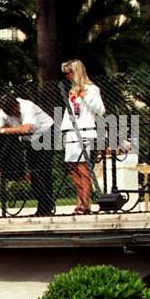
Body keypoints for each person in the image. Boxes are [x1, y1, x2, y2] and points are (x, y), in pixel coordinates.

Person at [0, 93, 56, 216]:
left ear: (17, 104)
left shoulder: (27, 106)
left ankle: (46, 205)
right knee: (34, 173)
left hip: (46, 133)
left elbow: (27, 128)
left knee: (42, 171)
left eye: (16, 111)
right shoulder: (3, 112)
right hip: (30, 140)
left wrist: (4, 130)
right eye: (12, 114)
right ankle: (43, 205)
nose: (16, 115)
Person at [60, 58, 104, 214]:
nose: (67, 76)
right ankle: (79, 201)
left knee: (83, 167)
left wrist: (85, 95)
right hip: (72, 132)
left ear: (76, 72)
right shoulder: (72, 91)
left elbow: (100, 109)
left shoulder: (92, 89)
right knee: (73, 168)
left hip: (85, 131)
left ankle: (85, 203)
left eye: (69, 72)